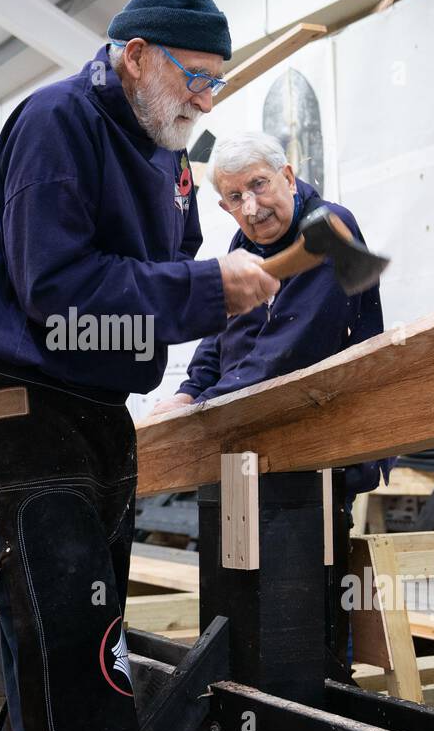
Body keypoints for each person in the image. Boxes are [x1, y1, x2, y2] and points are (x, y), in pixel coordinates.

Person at [0, 0, 278, 731]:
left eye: (216, 84)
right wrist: (205, 289)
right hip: (22, 395)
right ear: (136, 56)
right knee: (60, 627)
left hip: (100, 403)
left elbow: (169, 264)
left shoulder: (168, 151)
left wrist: (218, 286)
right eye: (195, 77)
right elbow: (56, 293)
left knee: (95, 626)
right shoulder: (57, 122)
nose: (206, 99)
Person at [150, 131, 394, 496]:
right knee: (229, 549)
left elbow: (289, 353)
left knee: (298, 552)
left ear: (289, 178)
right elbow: (227, 329)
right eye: (236, 197)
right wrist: (189, 392)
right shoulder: (248, 241)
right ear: (224, 207)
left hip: (315, 452)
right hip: (246, 442)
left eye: (259, 185)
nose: (251, 207)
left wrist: (199, 411)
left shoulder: (325, 227)